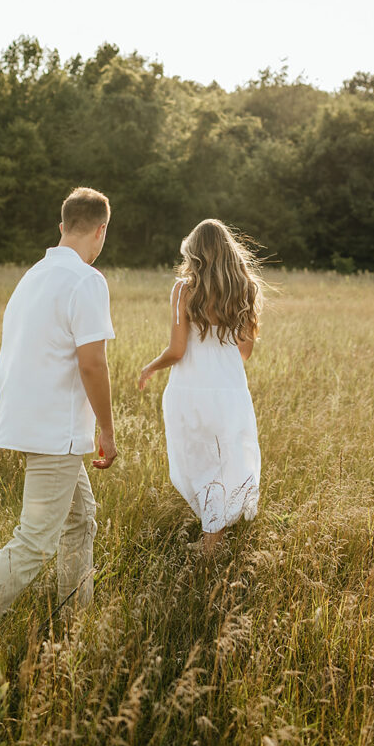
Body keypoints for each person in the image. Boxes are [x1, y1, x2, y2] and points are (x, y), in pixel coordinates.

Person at [0, 187, 118, 663]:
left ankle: (75, 616)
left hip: (27, 419)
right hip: (56, 429)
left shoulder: (33, 275)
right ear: (101, 231)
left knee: (81, 518)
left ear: (60, 227)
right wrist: (108, 432)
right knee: (33, 542)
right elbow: (92, 363)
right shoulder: (86, 280)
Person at [138, 219, 262, 557]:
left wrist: (150, 367)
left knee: (198, 464)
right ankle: (213, 540)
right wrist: (220, 364)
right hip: (229, 391)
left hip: (189, 391)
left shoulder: (183, 289)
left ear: (193, 253)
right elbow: (245, 351)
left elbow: (177, 351)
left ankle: (210, 546)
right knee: (225, 463)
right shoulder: (246, 288)